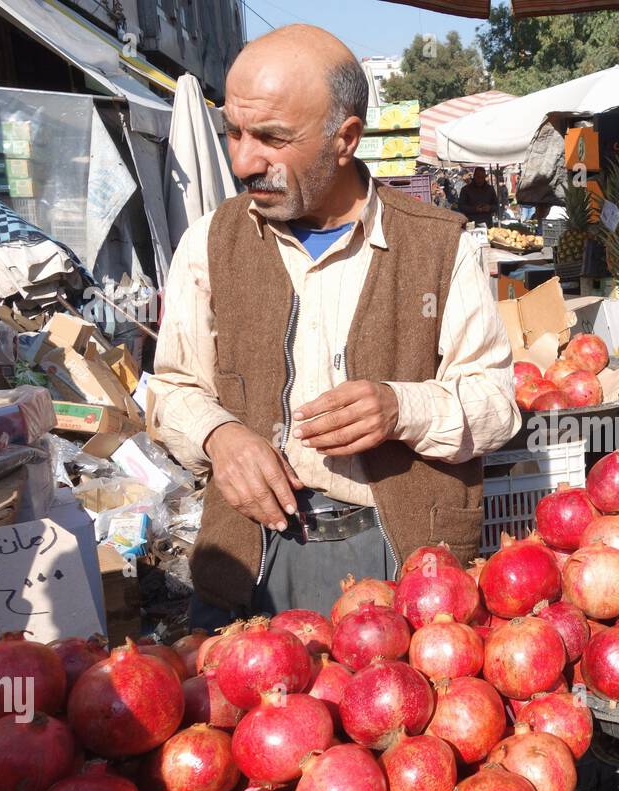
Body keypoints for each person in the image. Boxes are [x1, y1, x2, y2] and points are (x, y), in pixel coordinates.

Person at [149, 25, 520, 629]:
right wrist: (220, 436)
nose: (243, 161)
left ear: (344, 139)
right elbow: (170, 389)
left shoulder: (440, 246)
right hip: (250, 552)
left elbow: (495, 404)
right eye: (234, 133)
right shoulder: (209, 243)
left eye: (271, 138)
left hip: (398, 560)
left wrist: (402, 409)